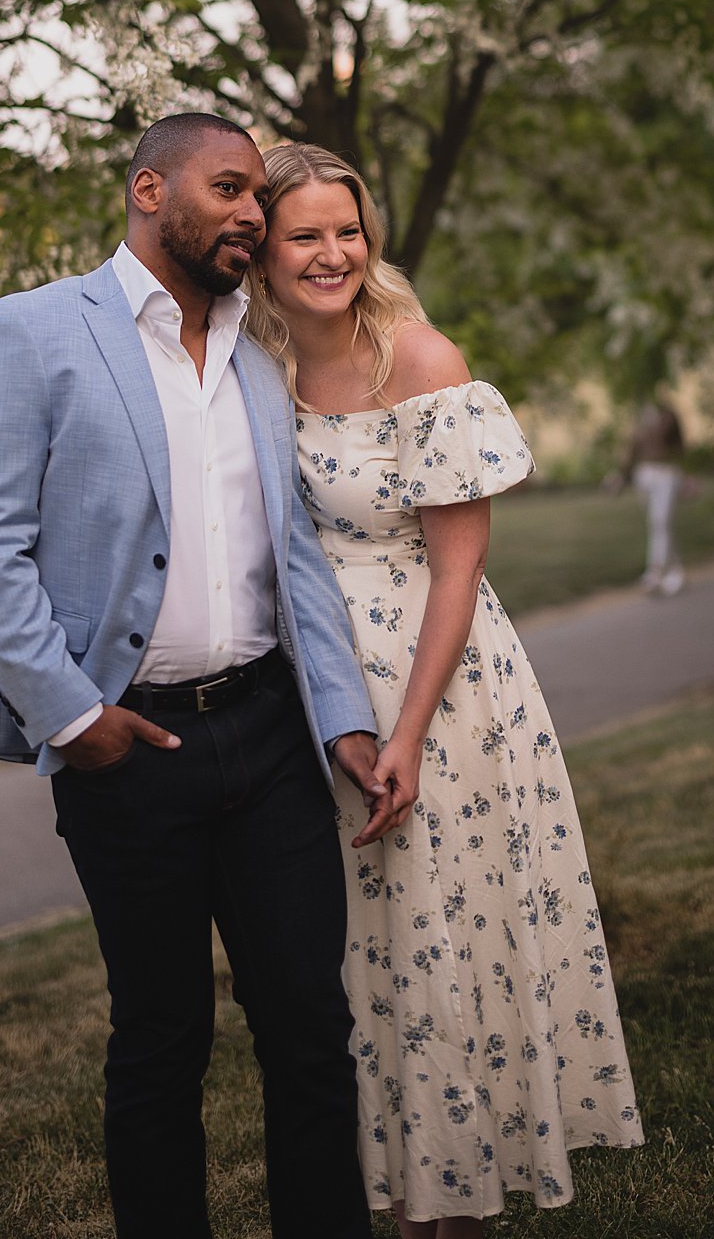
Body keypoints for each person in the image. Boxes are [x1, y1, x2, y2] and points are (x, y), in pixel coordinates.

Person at [0, 112, 392, 1239]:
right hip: (129, 748)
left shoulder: (256, 345)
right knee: (160, 1040)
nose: (253, 212)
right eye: (230, 189)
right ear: (151, 189)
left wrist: (339, 717)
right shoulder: (33, 331)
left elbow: (291, 551)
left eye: (257, 196)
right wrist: (75, 716)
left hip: (270, 736)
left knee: (309, 1030)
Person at [246, 143, 644, 1237]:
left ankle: (453, 1201)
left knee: (437, 943)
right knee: (352, 962)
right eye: (304, 234)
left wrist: (406, 733)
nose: (332, 253)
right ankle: (379, 1187)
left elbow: (460, 566)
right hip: (315, 691)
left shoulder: (419, 359)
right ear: (264, 254)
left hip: (442, 689)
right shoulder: (250, 363)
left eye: (347, 230)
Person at [620, 394, 687, 595]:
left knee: (661, 521)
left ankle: (654, 573)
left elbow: (679, 446)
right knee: (658, 524)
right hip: (645, 475)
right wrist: (622, 475)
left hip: (667, 473)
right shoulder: (641, 417)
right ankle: (675, 571)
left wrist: (686, 475)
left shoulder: (670, 416)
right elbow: (632, 448)